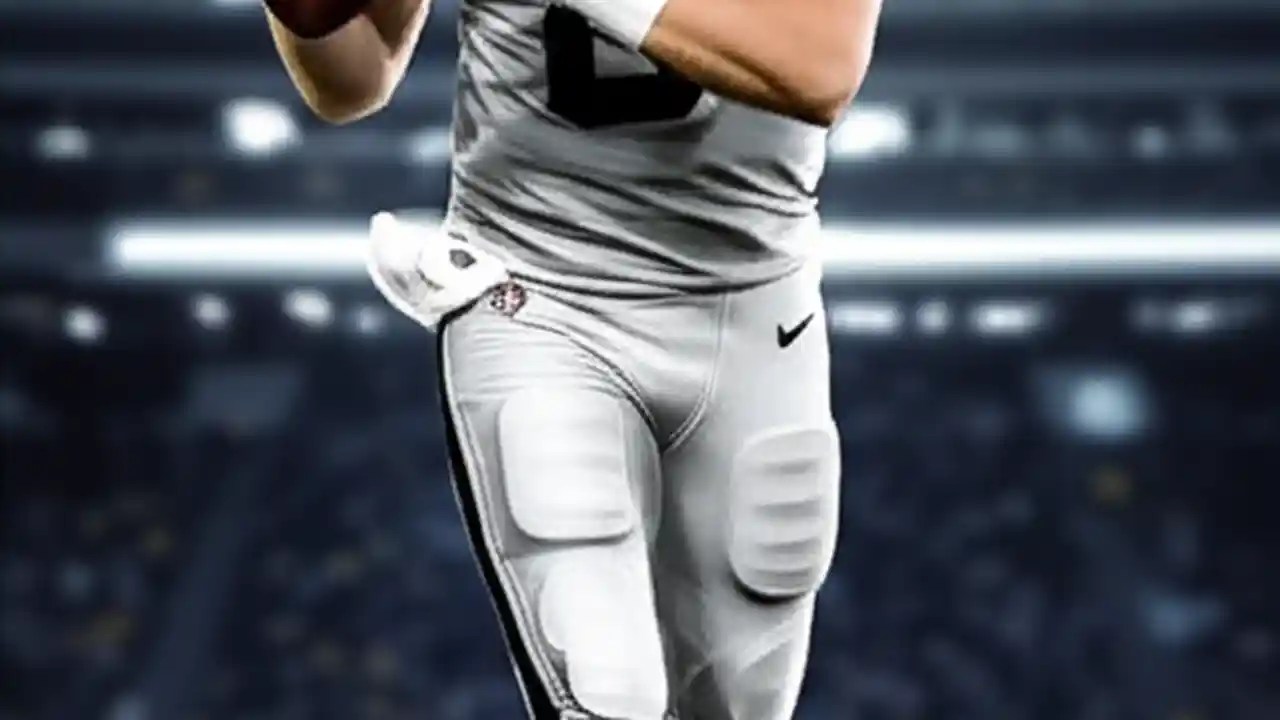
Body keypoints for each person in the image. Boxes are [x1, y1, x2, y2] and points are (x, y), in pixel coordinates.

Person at [263, 0, 882, 716]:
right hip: (542, 297)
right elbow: (354, 77)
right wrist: (306, 16)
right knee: (602, 695)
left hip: (750, 314)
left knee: (738, 705)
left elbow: (818, 67)